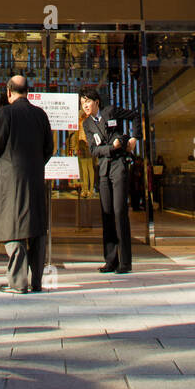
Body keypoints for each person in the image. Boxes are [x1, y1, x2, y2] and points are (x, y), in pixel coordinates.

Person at [0, 75, 53, 294]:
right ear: (28, 91)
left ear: (8, 92)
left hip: (10, 181)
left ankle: (17, 282)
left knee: (13, 226)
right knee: (36, 227)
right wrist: (35, 165)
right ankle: (37, 282)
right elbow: (48, 149)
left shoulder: (6, 113)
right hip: (34, 178)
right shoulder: (40, 115)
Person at [80, 85, 137, 274]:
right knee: (107, 214)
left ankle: (126, 262)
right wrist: (111, 147)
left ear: (96, 101)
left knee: (120, 211)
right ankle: (110, 260)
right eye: (82, 103)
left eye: (87, 101)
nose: (85, 106)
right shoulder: (87, 124)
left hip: (119, 166)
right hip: (103, 170)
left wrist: (133, 138)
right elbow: (93, 150)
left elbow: (135, 115)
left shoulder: (110, 111)